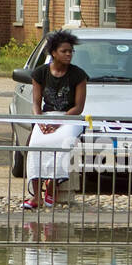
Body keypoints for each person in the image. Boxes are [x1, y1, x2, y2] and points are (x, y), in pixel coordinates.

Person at [24, 30, 88, 209]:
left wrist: (59, 122)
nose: (68, 54)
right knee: (35, 144)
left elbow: (78, 107)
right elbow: (36, 103)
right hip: (46, 116)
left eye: (70, 51)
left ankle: (52, 187)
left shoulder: (79, 75)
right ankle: (36, 196)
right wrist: (40, 121)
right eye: (64, 51)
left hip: (70, 117)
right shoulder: (40, 73)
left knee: (63, 143)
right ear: (53, 52)